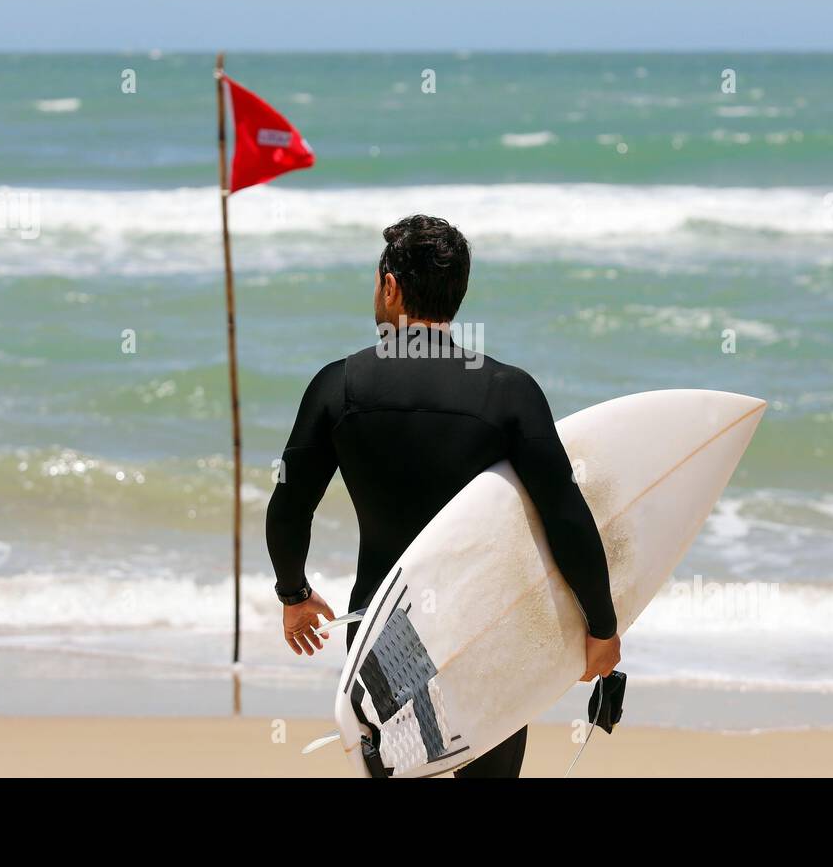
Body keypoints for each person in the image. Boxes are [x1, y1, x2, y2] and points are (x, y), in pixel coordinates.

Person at [265, 214, 621, 777]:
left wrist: (295, 594)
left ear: (390, 286)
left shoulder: (339, 386)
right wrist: (601, 625)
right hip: (484, 625)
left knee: (390, 769)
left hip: (383, 627)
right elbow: (565, 514)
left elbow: (288, 506)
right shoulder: (509, 391)